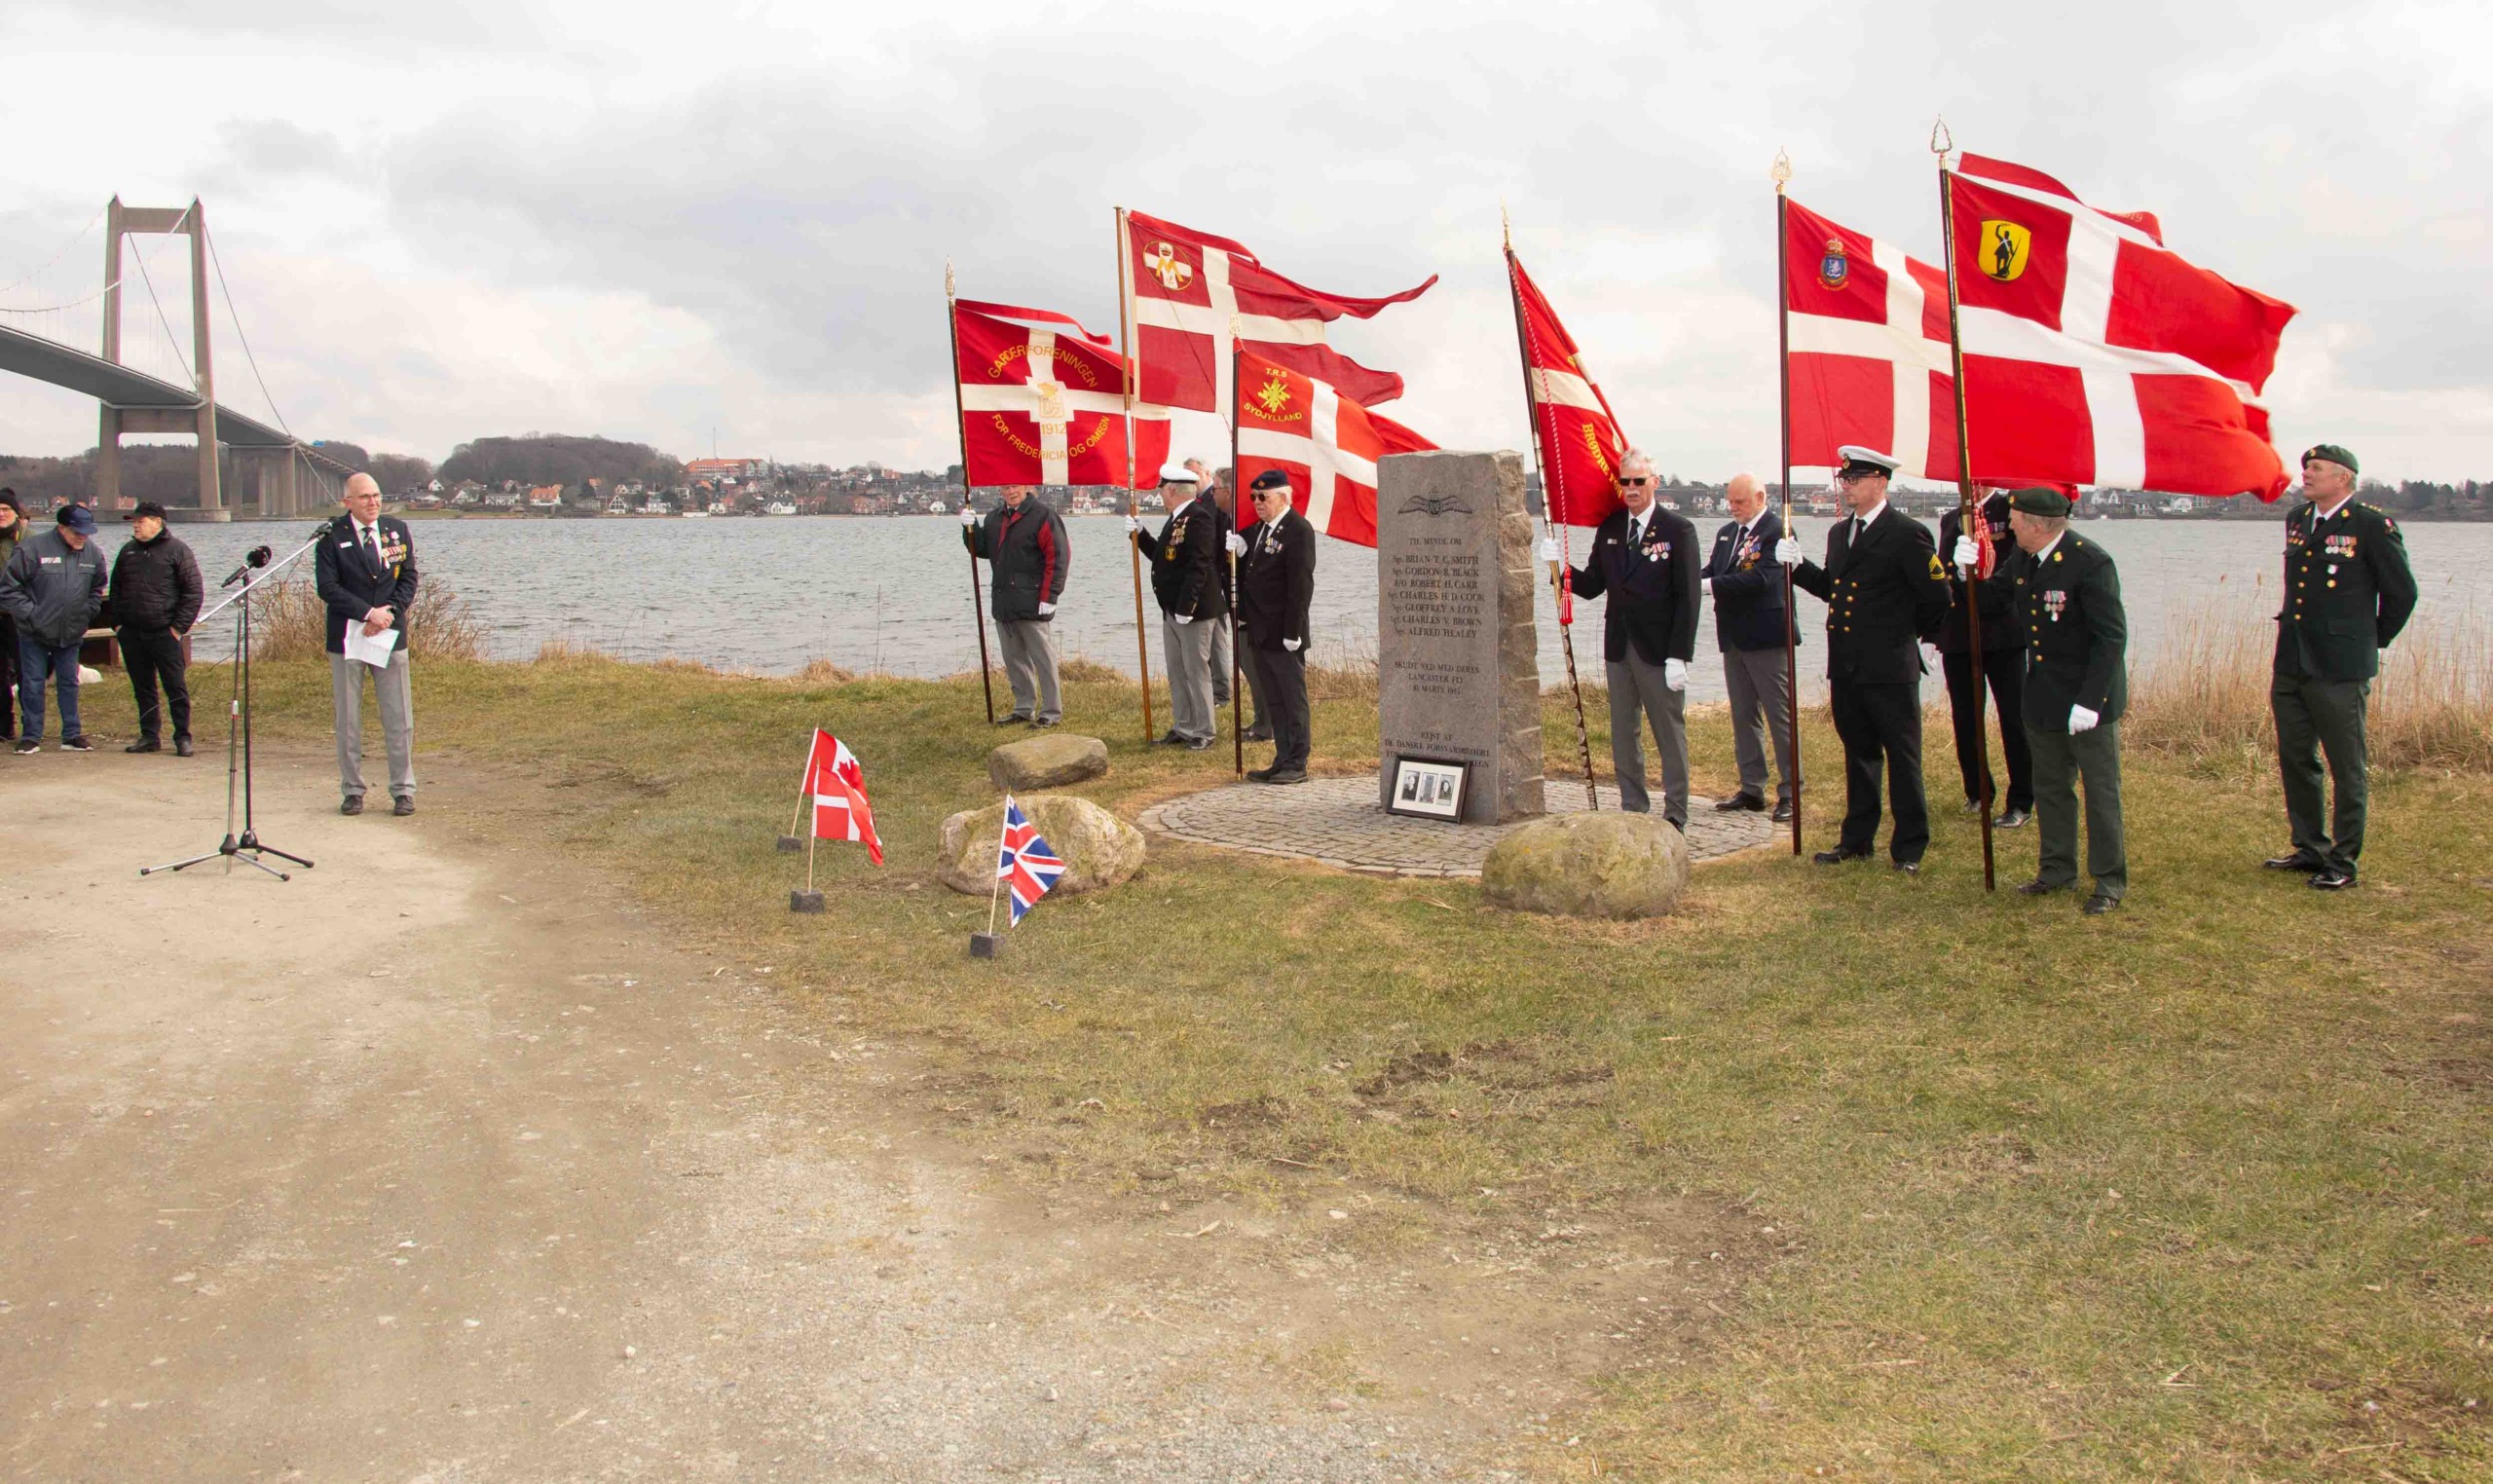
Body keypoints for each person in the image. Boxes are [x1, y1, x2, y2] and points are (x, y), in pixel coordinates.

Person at [1777, 446, 1953, 872]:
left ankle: (1909, 846)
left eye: (1855, 480)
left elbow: (1937, 598)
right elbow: (1836, 591)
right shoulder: (1840, 534)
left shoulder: (1906, 533)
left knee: (1903, 757)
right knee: (1858, 754)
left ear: (1880, 482)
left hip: (1890, 666)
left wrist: (1903, 635)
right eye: (1845, 480)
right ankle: (1857, 840)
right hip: (1847, 664)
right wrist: (1798, 568)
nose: (1847, 487)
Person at [2264, 444, 2417, 890]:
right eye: (2306, 468)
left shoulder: (2371, 525)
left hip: (2340, 666)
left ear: (2343, 478)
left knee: (2346, 766)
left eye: (2316, 469)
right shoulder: (2298, 520)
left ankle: (2343, 861)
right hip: (2292, 658)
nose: (2306, 475)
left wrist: (2370, 642)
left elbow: (2402, 594)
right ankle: (2310, 848)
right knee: (2295, 756)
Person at [1543, 450, 1701, 828]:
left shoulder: (1678, 530)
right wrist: (1559, 569)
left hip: (1660, 650)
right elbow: (1594, 585)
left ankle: (1676, 812)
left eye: (1638, 481)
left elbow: (1689, 598)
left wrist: (1680, 655)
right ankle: (1634, 808)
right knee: (1623, 732)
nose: (1631, 489)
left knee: (1668, 731)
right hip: (1618, 646)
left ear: (1654, 483)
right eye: (1625, 482)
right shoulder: (1612, 528)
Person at [1987, 488, 2127, 914]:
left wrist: (2091, 701)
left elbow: (2110, 638)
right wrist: (1966, 574)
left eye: (2015, 519)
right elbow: (1996, 598)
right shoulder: (2025, 559)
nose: (2008, 525)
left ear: (2037, 524)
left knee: (2101, 791)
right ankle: (2056, 870)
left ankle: (2108, 881)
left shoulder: (2090, 561)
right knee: (2049, 787)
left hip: (2086, 700)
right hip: (2044, 694)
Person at [315, 472, 420, 815]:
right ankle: (353, 790)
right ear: (348, 503)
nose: (373, 502)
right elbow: (328, 588)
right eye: (364, 497)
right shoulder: (331, 538)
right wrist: (366, 613)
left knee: (398, 716)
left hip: (390, 635)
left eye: (376, 495)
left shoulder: (397, 530)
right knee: (348, 718)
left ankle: (403, 790)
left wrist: (388, 612)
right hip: (348, 637)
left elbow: (408, 577)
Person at [1700, 472, 1799, 821]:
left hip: (1768, 636)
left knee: (1780, 717)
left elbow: (1762, 577)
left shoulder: (1778, 531)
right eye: (1730, 501)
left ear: (1760, 497)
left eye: (1740, 502)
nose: (1734, 508)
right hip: (1733, 636)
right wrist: (1685, 582)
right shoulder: (1727, 533)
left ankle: (1791, 791)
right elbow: (1712, 570)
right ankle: (1752, 787)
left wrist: (1709, 585)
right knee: (1744, 715)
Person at [1936, 488, 2033, 829]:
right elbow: (1944, 577)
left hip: (2003, 633)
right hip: (1959, 634)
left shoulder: (2009, 510)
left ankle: (2021, 799)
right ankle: (1978, 791)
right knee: (1966, 719)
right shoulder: (1951, 519)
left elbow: (2016, 569)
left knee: (2013, 719)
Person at [1127, 463, 1225, 750]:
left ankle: (1204, 730)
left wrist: (1187, 606)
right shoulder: (1177, 518)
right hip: (1172, 609)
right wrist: (1140, 534)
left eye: (1162, 489)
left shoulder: (1199, 518)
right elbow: (1163, 556)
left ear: (1171, 490)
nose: (1160, 493)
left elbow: (1200, 565)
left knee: (1196, 671)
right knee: (1177, 671)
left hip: (1193, 611)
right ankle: (1183, 726)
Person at [1, 502, 109, 754]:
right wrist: (31, 615)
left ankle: (71, 734)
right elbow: (8, 589)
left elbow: (97, 588)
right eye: (77, 532)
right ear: (61, 528)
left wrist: (87, 612)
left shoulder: (92, 553)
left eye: (87, 532)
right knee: (33, 682)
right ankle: (31, 736)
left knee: (69, 682)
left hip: (71, 631)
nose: (83, 536)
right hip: (33, 633)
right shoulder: (31, 549)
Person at [959, 483, 1068, 727]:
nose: (1011, 491)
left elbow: (1058, 557)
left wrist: (1050, 596)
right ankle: (1023, 708)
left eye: (1016, 486)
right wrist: (970, 529)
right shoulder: (994, 518)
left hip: (1033, 601)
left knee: (1044, 660)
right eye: (1006, 488)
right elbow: (984, 550)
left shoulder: (1043, 516)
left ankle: (1051, 712)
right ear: (1000, 491)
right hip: (1004, 600)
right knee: (1014, 658)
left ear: (1027, 487)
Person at [1232, 469, 1317, 784]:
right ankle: (1282, 758)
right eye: (1254, 496)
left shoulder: (1297, 530)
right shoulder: (1259, 531)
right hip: (1260, 630)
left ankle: (1297, 761)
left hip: (1284, 633)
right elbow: (1252, 579)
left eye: (1263, 497)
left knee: (1293, 699)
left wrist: (1293, 631)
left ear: (1283, 497)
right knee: (1274, 698)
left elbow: (1300, 585)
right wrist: (1239, 555)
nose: (1256, 502)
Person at [108, 501, 204, 757]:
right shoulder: (127, 551)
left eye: (141, 520)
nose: (135, 525)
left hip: (164, 632)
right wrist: (118, 625)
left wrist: (177, 628)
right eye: (134, 521)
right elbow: (115, 590)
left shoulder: (178, 551)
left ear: (158, 522)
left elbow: (193, 592)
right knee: (143, 687)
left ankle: (182, 736)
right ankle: (149, 736)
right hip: (132, 632)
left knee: (175, 685)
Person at [0, 490, 23, 743]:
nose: (1, 514)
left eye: (6, 509)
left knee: (26, 673)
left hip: (19, 618)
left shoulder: (28, 540)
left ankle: (32, 727)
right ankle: (4, 726)